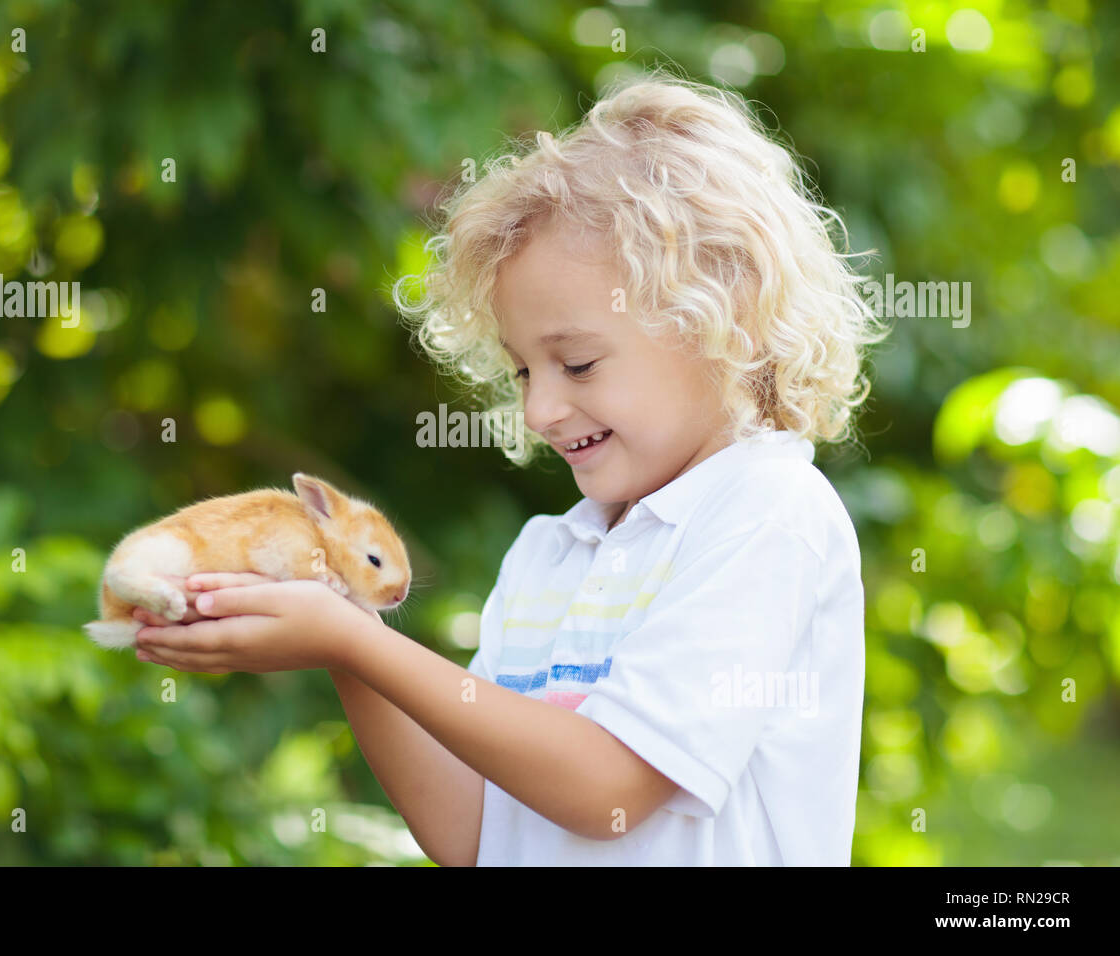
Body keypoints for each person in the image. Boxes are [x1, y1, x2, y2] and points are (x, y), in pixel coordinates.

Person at [133, 70, 890, 866]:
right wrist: (343, 634)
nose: (538, 413)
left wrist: (358, 646)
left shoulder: (767, 512)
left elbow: (610, 791)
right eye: (525, 371)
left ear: (720, 322)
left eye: (579, 363)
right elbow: (473, 834)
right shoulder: (548, 554)